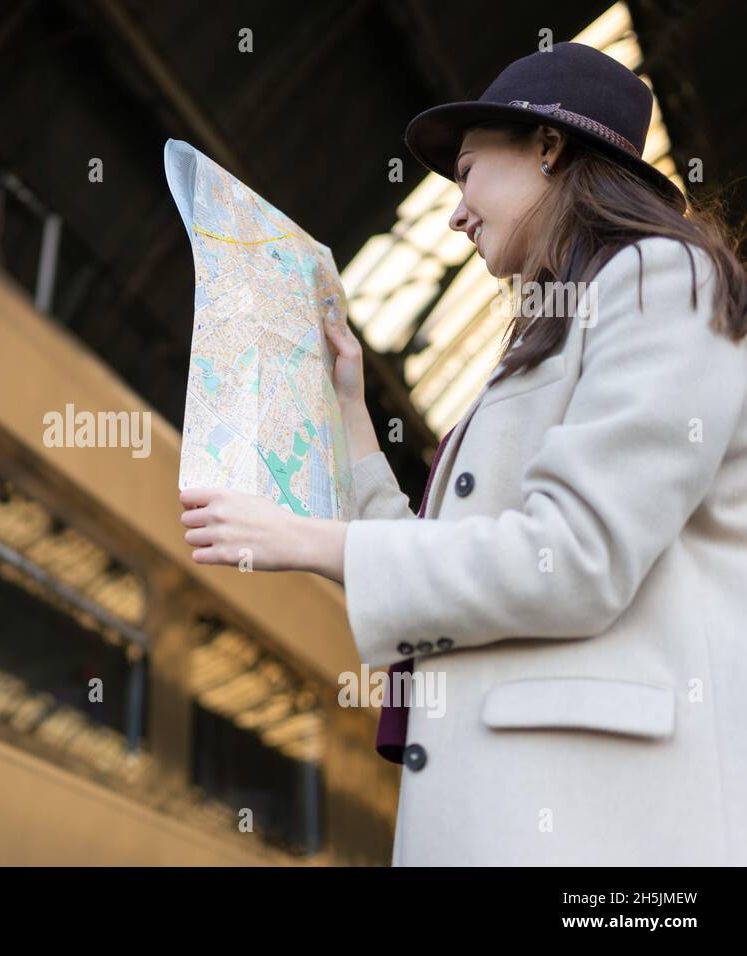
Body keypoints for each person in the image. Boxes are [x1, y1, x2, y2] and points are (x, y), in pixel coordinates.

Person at [179, 42, 747, 865]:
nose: (454, 211)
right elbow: (439, 575)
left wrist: (303, 541)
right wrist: (351, 418)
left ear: (548, 149)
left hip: (599, 837)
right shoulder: (552, 338)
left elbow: (572, 557)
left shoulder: (663, 279)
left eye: (469, 171)